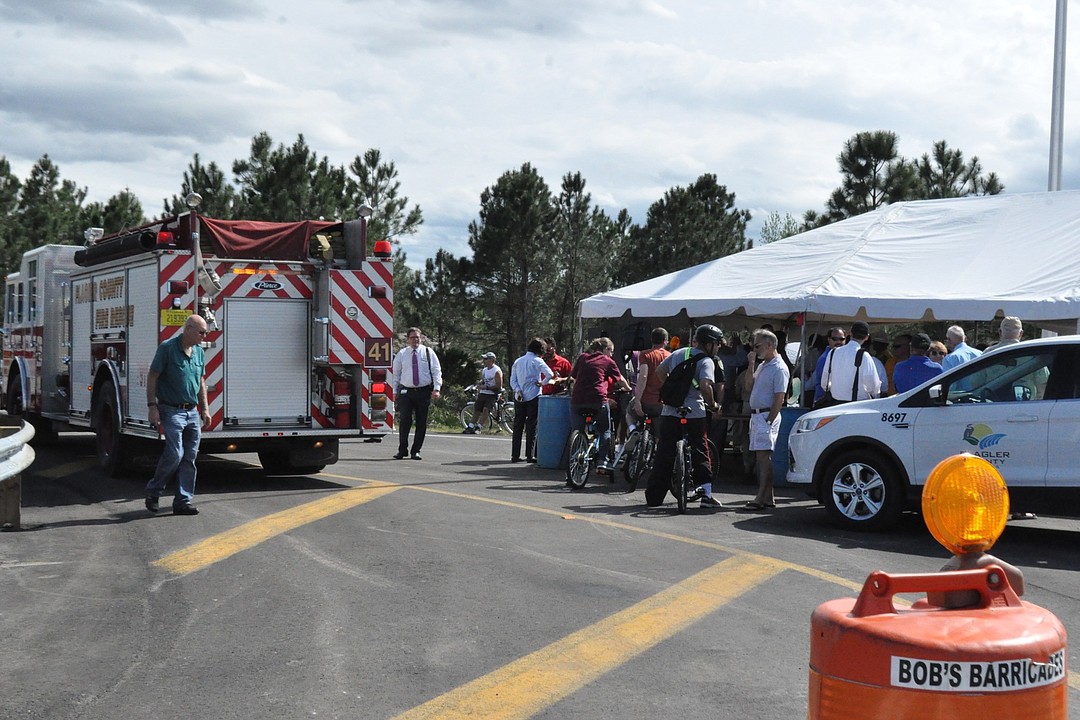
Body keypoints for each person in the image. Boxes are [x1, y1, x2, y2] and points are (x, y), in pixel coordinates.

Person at [644, 324, 724, 510]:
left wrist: (674, 388)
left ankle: (654, 497)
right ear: (710, 344)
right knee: (700, 449)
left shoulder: (680, 353)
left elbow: (659, 372)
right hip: (694, 411)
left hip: (671, 410)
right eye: (718, 344)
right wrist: (712, 405)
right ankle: (706, 495)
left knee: (664, 452)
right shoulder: (707, 361)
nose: (719, 347)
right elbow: (705, 385)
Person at [145, 314, 211, 515]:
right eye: (201, 332)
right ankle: (154, 490)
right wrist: (152, 407)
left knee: (190, 457)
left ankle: (183, 502)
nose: (204, 335)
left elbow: (200, 382)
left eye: (205, 332)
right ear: (188, 329)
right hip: (171, 409)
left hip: (191, 412)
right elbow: (152, 376)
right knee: (175, 453)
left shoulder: (199, 352)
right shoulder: (167, 348)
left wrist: (205, 409)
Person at [741, 328, 789, 511]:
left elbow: (780, 397)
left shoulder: (778, 368)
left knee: (763, 458)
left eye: (758, 346)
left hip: (766, 415)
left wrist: (769, 419)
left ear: (769, 345)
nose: (755, 349)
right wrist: (751, 364)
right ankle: (768, 497)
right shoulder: (763, 365)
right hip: (758, 415)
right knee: (761, 457)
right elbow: (748, 385)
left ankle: (760, 497)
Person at [569, 336, 630, 474]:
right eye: (611, 351)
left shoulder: (582, 357)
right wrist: (628, 389)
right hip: (597, 400)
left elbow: (573, 377)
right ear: (606, 349)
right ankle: (603, 461)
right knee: (605, 430)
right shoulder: (607, 361)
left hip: (577, 400)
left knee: (577, 430)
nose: (612, 354)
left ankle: (575, 458)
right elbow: (620, 379)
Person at [392, 327, 442, 460]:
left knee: (421, 422)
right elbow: (395, 374)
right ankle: (402, 450)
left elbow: (436, 371)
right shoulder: (402, 354)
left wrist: (436, 389)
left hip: (423, 391)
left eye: (417, 337)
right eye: (412, 337)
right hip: (406, 392)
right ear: (408, 339)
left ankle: (416, 450)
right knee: (404, 421)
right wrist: (393, 391)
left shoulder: (428, 352)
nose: (415, 340)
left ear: (421, 338)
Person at [510, 338, 553, 463]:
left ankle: (515, 455)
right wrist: (542, 383)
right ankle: (530, 455)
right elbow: (549, 374)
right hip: (534, 395)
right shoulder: (537, 361)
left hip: (519, 396)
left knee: (518, 425)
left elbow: (513, 380)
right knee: (532, 426)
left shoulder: (518, 361)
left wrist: (517, 390)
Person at [820, 321, 881, 403]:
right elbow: (872, 385)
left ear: (850, 333)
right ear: (867, 337)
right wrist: (875, 395)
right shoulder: (864, 356)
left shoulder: (833, 352)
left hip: (835, 404)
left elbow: (825, 382)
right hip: (858, 405)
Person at [463, 352, 502, 434]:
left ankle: (479, 427)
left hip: (492, 394)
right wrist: (479, 385)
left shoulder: (496, 371)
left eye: (486, 359)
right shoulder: (484, 370)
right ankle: (470, 426)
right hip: (483, 393)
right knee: (477, 409)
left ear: (491, 360)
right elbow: (484, 381)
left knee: (485, 409)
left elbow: (499, 385)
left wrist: (487, 387)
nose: (484, 361)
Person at [812, 327, 848, 405]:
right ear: (829, 339)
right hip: (824, 402)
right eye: (835, 339)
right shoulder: (825, 358)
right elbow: (824, 384)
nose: (838, 342)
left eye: (841, 339)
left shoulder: (842, 357)